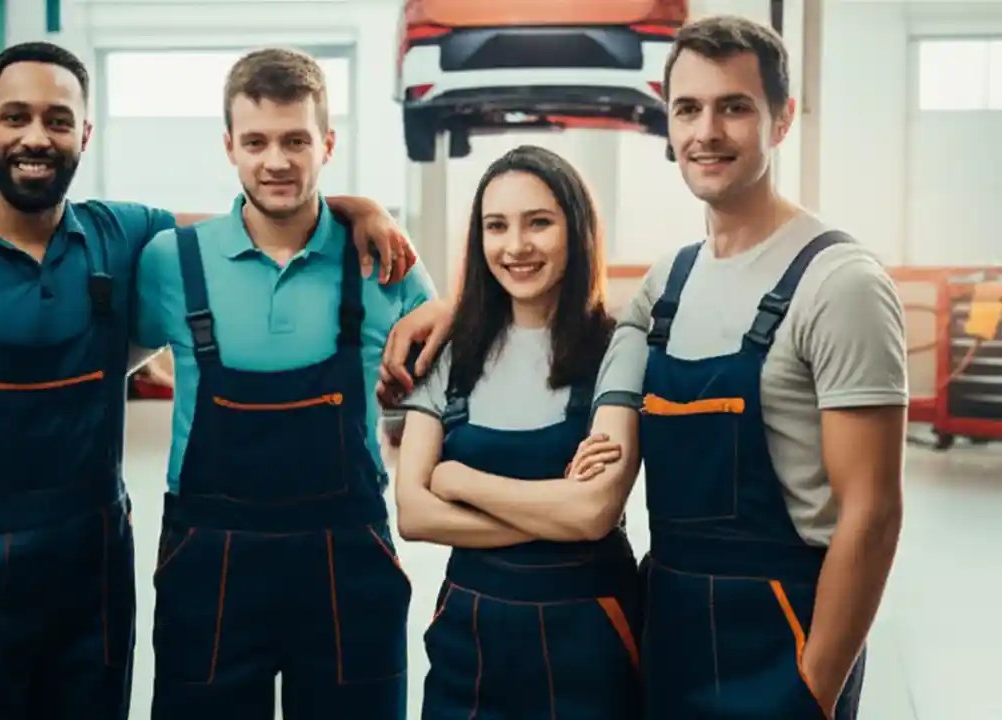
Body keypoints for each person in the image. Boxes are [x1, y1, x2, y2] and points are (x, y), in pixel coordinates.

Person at [0, 41, 417, 719]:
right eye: (16, 116)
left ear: (85, 133)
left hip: (93, 579)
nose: (36, 137)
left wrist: (357, 207)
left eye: (58, 120)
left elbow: (255, 221)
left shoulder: (118, 236)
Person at [381, 15, 908, 720]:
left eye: (734, 107)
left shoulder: (841, 284)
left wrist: (814, 690)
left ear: (782, 120)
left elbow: (872, 515)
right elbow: (539, 310)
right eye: (688, 109)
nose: (706, 131)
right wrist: (452, 309)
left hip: (787, 637)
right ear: (668, 124)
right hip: (668, 633)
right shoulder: (667, 288)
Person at [133, 47, 437, 720]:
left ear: (327, 143)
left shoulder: (383, 259)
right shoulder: (171, 262)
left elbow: (450, 369)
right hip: (208, 563)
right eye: (256, 142)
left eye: (296, 140)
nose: (276, 160)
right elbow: (101, 365)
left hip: (346, 561)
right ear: (229, 146)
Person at [393, 145, 641, 719]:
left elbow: (593, 514)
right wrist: (554, 515)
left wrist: (457, 480)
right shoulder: (449, 352)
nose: (516, 246)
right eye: (496, 226)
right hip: (469, 642)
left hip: (590, 638)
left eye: (539, 223)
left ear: (576, 230)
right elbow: (414, 514)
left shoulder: (617, 347)